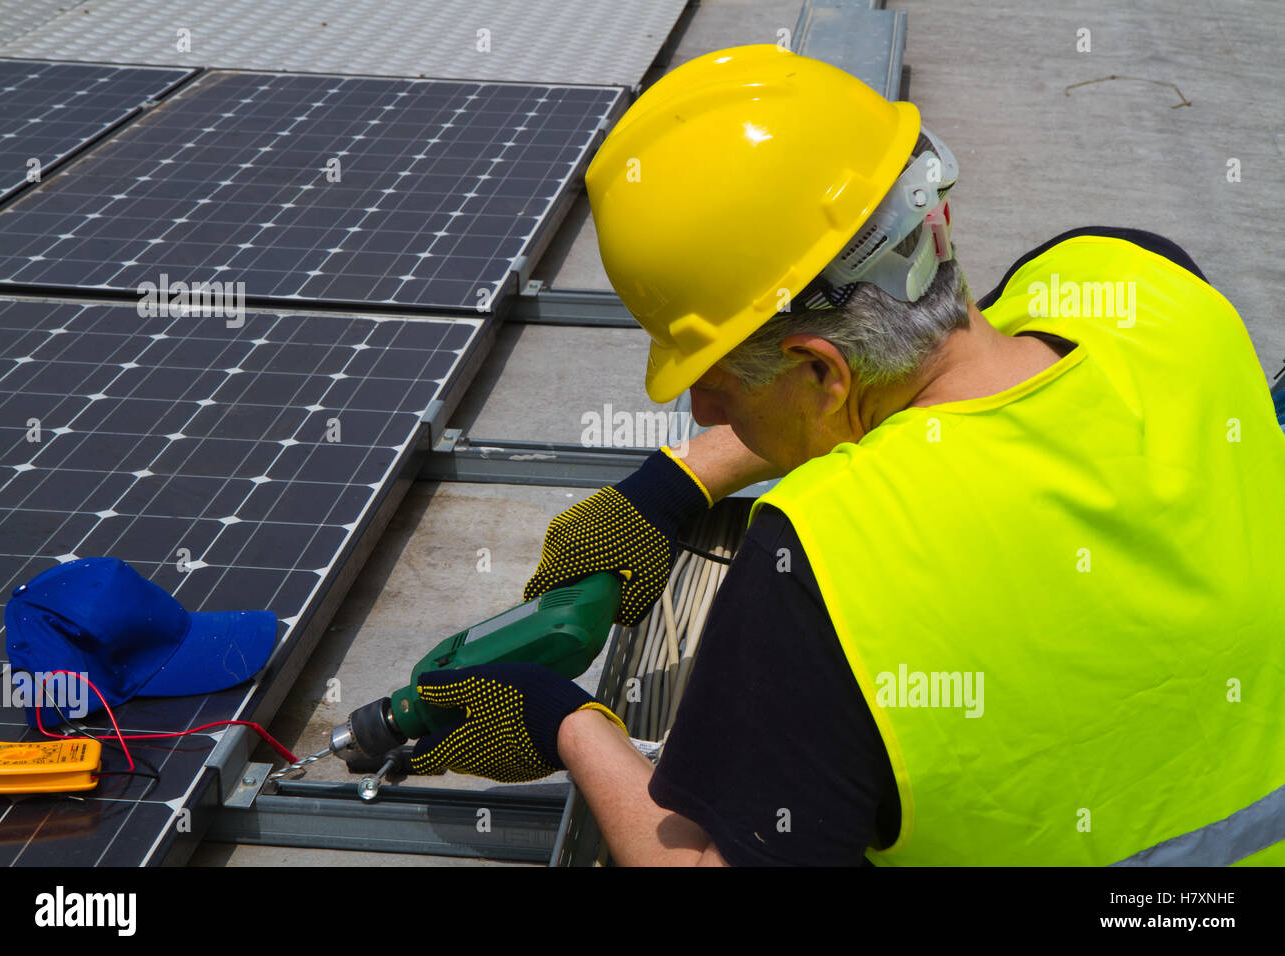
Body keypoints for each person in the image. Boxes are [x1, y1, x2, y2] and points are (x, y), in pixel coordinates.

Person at [392, 45, 1285, 866]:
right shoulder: (1145, 284)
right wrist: (679, 482)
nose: (703, 409)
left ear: (820, 371)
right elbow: (958, 355)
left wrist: (565, 724)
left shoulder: (822, 567)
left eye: (720, 386)